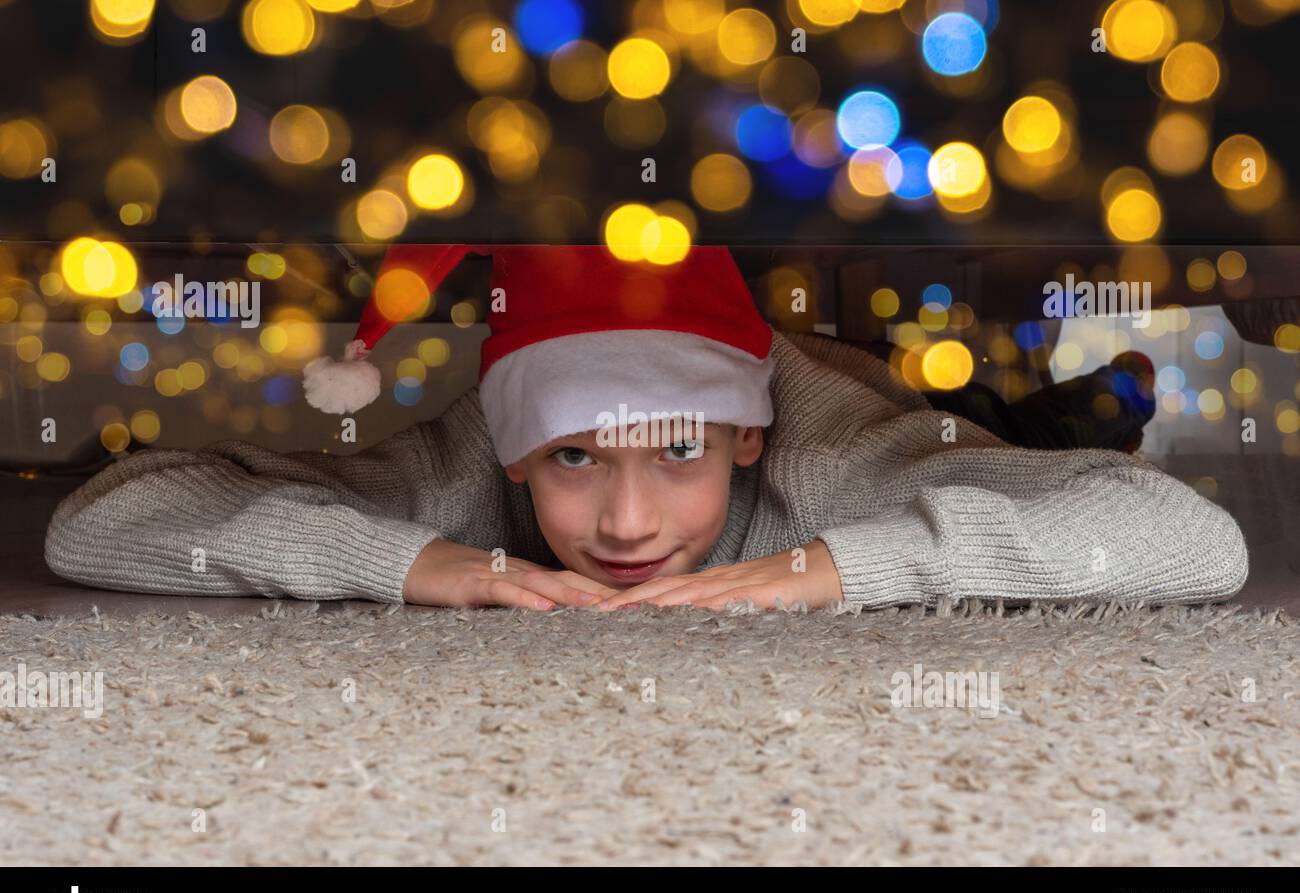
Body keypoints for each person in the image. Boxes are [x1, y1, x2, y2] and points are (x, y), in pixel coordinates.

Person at [44, 244, 1248, 611]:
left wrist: (829, 565)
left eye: (676, 449)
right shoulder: (466, 462)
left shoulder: (825, 459)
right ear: (516, 448)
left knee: (1007, 431)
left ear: (740, 437)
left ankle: (1109, 392)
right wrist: (417, 560)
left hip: (883, 401)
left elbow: (1194, 543)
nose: (625, 525)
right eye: (574, 457)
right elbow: (104, 519)